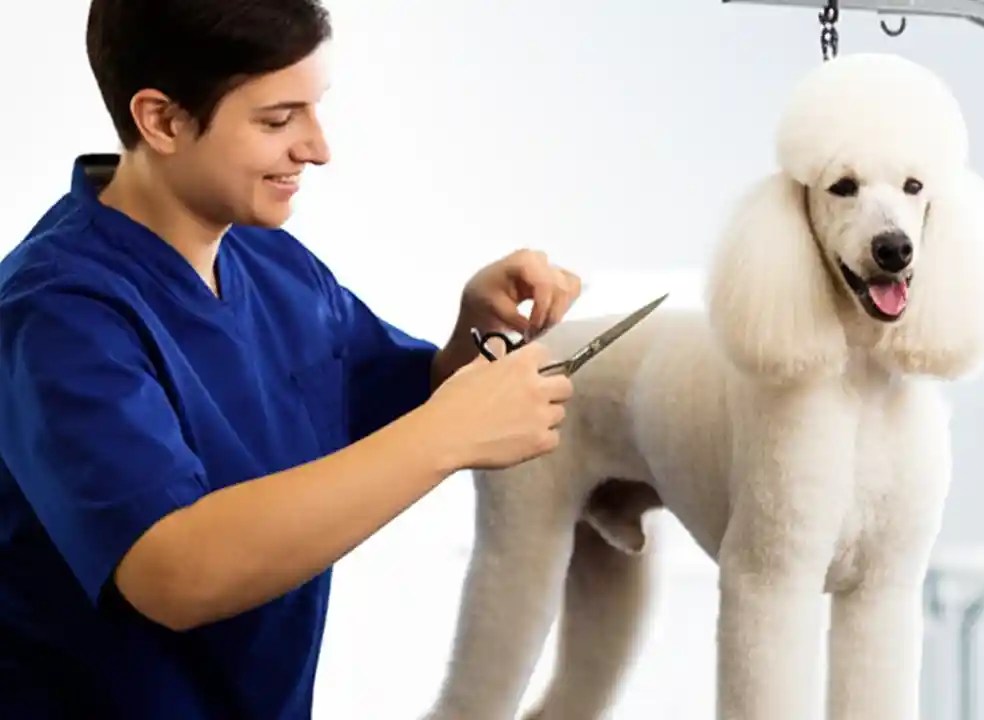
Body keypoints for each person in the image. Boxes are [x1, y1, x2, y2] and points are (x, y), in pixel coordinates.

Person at [0, 1, 581, 717]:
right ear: (162, 120)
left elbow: (394, 404)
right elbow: (175, 573)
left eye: (315, 109)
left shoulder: (272, 261)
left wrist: (471, 335)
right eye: (278, 120)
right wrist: (448, 435)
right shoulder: (58, 313)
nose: (317, 147)